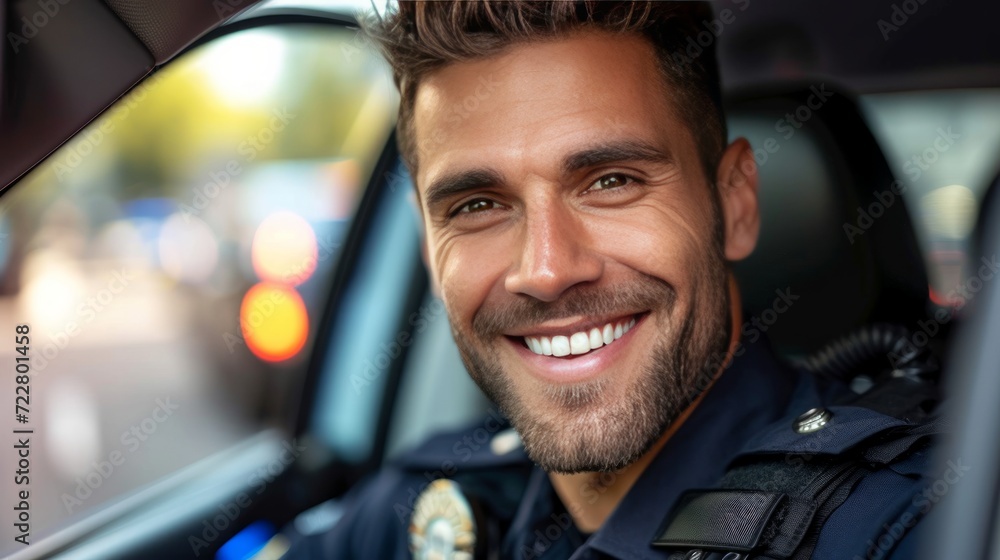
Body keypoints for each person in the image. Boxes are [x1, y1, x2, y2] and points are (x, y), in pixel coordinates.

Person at [283, 2, 944, 558]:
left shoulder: (909, 525)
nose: (544, 271)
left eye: (611, 182)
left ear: (734, 203)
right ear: (429, 247)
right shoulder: (425, 507)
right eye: (477, 205)